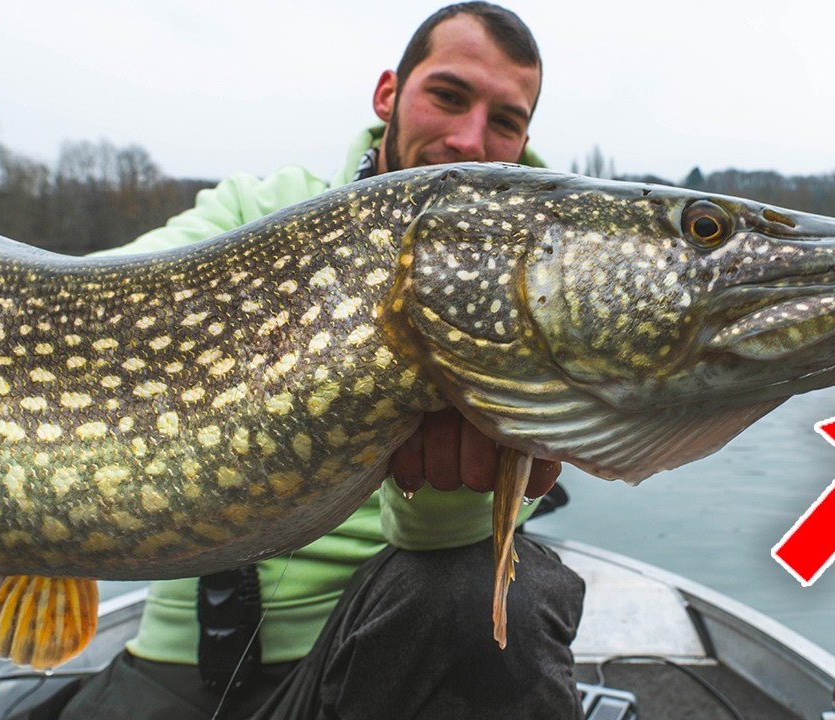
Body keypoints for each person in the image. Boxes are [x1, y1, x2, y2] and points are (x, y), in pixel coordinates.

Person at [59, 4, 584, 719]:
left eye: (505, 121)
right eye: (448, 96)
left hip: (373, 660)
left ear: (523, 142)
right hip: (175, 663)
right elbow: (89, 305)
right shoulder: (255, 206)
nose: (468, 139)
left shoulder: (546, 279)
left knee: (483, 596)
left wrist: (460, 483)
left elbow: (441, 551)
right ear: (388, 94)